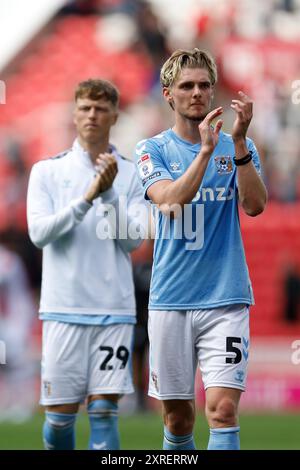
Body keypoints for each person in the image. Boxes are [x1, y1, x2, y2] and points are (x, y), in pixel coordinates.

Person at [134, 48, 267, 450]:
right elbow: (170, 200)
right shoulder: (151, 149)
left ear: (213, 92)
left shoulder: (238, 147)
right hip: (171, 300)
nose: (197, 93)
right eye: (187, 85)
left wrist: (238, 144)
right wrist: (206, 151)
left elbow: (255, 205)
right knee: (177, 420)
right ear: (168, 93)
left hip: (226, 297)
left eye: (204, 85)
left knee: (223, 412)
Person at [27, 79, 146, 450]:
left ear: (114, 115)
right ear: (75, 114)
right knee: (59, 420)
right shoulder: (47, 171)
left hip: (114, 310)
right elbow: (39, 234)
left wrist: (108, 193)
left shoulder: (131, 173)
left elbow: (133, 240)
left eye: (100, 108)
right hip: (64, 310)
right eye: (85, 108)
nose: (92, 115)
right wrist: (85, 199)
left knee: (104, 414)